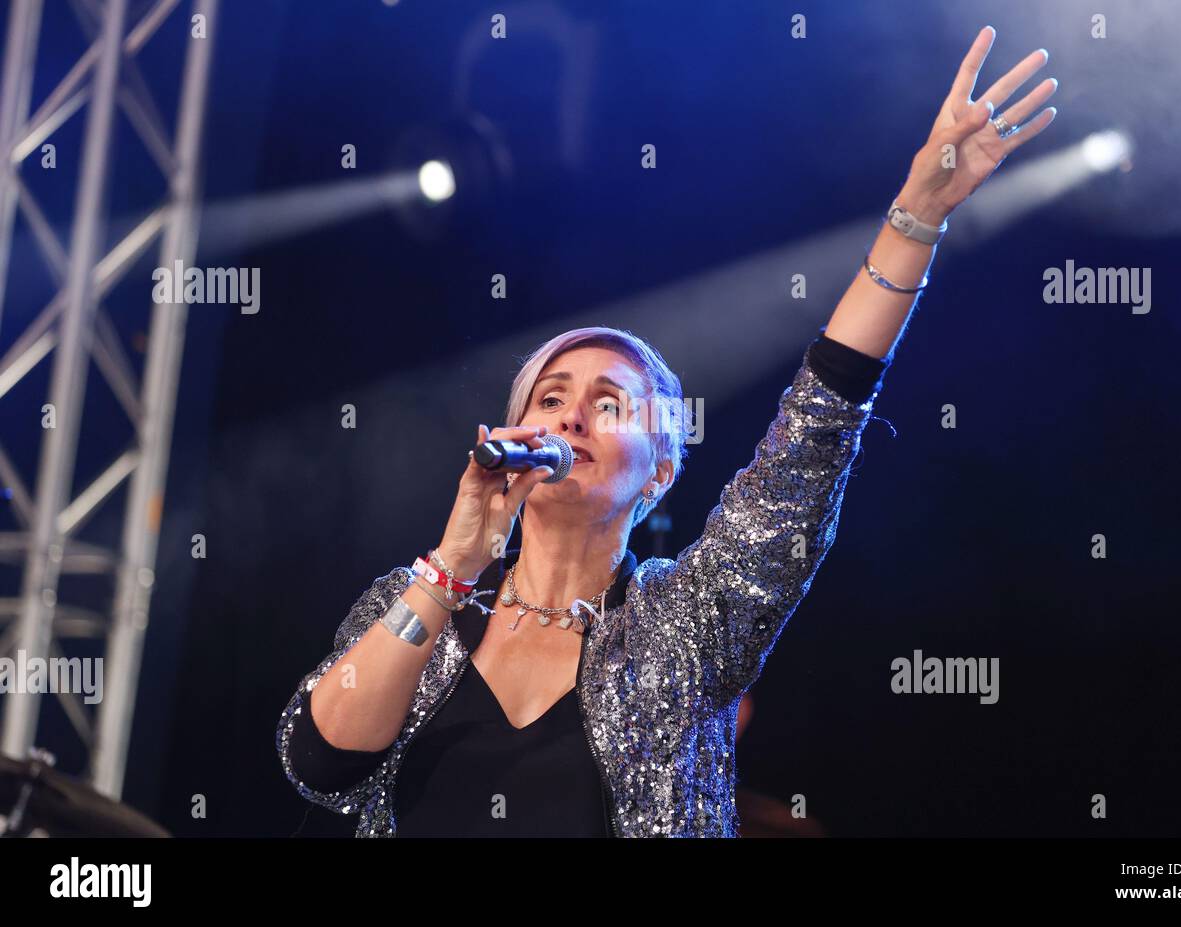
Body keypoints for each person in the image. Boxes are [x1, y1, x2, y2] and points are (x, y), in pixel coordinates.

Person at [275, 26, 1057, 837]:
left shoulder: (687, 623)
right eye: (549, 398)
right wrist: (451, 569)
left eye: (610, 404)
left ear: (658, 473)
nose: (571, 414)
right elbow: (320, 762)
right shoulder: (416, 605)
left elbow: (818, 421)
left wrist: (917, 214)